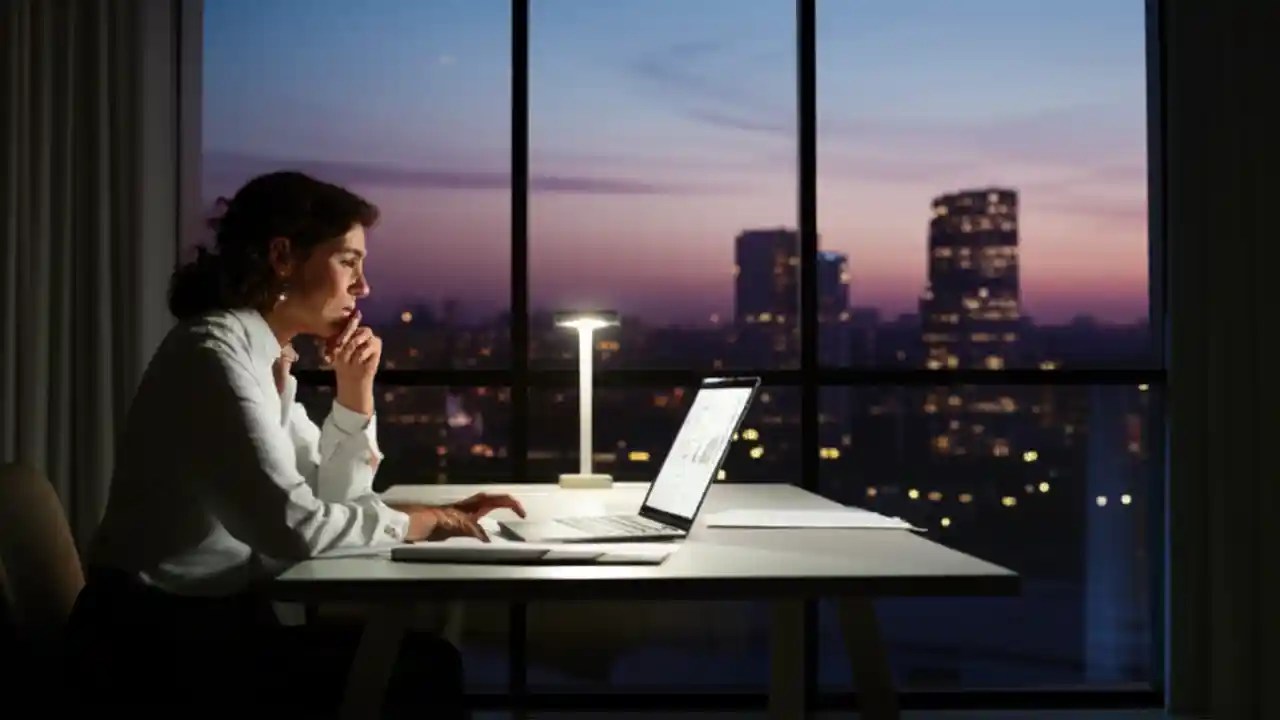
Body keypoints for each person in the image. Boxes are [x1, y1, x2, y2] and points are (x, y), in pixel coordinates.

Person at [65, 170, 523, 717]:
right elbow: (293, 528)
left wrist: (355, 394)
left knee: (423, 659)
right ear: (282, 257)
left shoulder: (270, 360)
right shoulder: (213, 355)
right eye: (348, 261)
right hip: (154, 645)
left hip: (214, 622)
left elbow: (332, 500)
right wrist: (424, 521)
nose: (363, 286)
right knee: (422, 670)